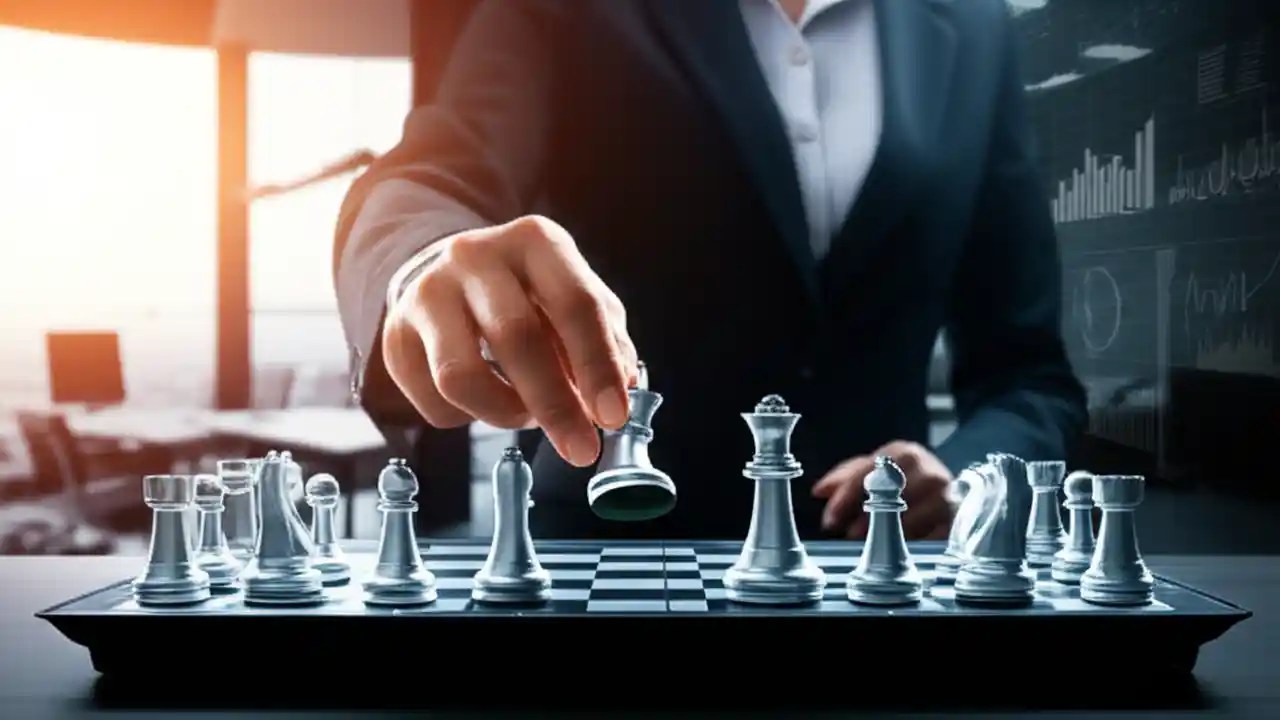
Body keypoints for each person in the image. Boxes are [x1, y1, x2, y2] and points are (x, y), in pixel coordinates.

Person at [333, 0, 1088, 541]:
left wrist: (964, 480)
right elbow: (438, 173)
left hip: (875, 585)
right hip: (606, 564)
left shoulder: (975, 24)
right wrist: (420, 263)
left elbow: (1027, 377)